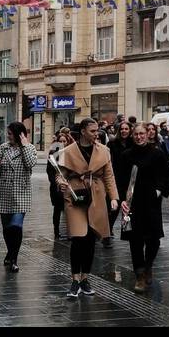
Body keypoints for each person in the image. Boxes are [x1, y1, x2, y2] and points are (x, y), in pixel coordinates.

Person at [54, 118, 118, 298]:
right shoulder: (68, 151)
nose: (96, 133)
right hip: (75, 196)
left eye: (97, 130)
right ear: (82, 131)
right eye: (92, 130)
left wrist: (114, 198)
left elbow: (109, 176)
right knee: (78, 238)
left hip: (96, 196)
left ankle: (85, 278)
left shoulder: (104, 151)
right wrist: (61, 184)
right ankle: (74, 280)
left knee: (91, 238)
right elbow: (60, 174)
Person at [118, 123, 169, 293]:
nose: (139, 137)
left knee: (153, 239)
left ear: (148, 134)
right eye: (136, 134)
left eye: (142, 134)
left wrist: (160, 191)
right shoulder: (126, 155)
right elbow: (120, 178)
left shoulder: (157, 153)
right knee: (135, 241)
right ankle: (140, 275)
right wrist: (121, 199)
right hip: (132, 203)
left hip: (151, 202)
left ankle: (148, 265)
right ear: (132, 136)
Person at [0, 122, 36, 272]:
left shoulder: (29, 148)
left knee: (16, 226)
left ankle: (14, 258)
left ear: (19, 134)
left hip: (21, 192)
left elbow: (30, 164)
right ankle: (10, 252)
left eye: (10, 133)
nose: (8, 136)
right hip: (4, 192)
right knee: (6, 228)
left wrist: (24, 145)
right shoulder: (3, 147)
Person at [106, 121, 136, 238]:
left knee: (127, 206)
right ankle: (108, 230)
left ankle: (126, 228)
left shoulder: (133, 143)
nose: (124, 131)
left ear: (130, 131)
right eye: (122, 129)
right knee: (114, 207)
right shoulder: (112, 144)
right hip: (116, 179)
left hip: (129, 180)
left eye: (126, 129)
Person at [46, 128, 74, 240]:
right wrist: (56, 183)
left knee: (69, 209)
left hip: (69, 186)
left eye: (64, 141)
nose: (62, 143)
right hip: (56, 188)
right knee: (57, 209)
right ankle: (56, 231)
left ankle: (70, 231)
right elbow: (50, 172)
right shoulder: (53, 155)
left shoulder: (71, 154)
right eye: (60, 141)